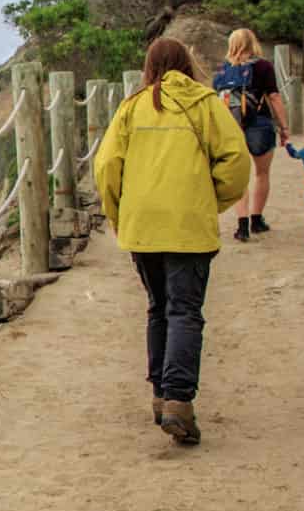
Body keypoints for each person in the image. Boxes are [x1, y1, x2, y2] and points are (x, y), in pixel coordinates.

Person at [94, 37, 250, 445]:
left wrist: (118, 215)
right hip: (188, 226)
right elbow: (236, 159)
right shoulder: (205, 103)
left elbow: (107, 165)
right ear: (187, 64)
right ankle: (179, 401)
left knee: (158, 308)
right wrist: (210, 199)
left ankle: (161, 397)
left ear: (150, 67)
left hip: (142, 226)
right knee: (185, 311)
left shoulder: (132, 107)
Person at [212, 28, 290, 241]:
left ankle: (242, 225)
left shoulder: (222, 70)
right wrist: (284, 127)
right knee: (261, 174)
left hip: (231, 127)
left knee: (241, 177)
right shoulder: (263, 66)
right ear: (252, 43)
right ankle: (257, 219)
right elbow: (274, 97)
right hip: (259, 125)